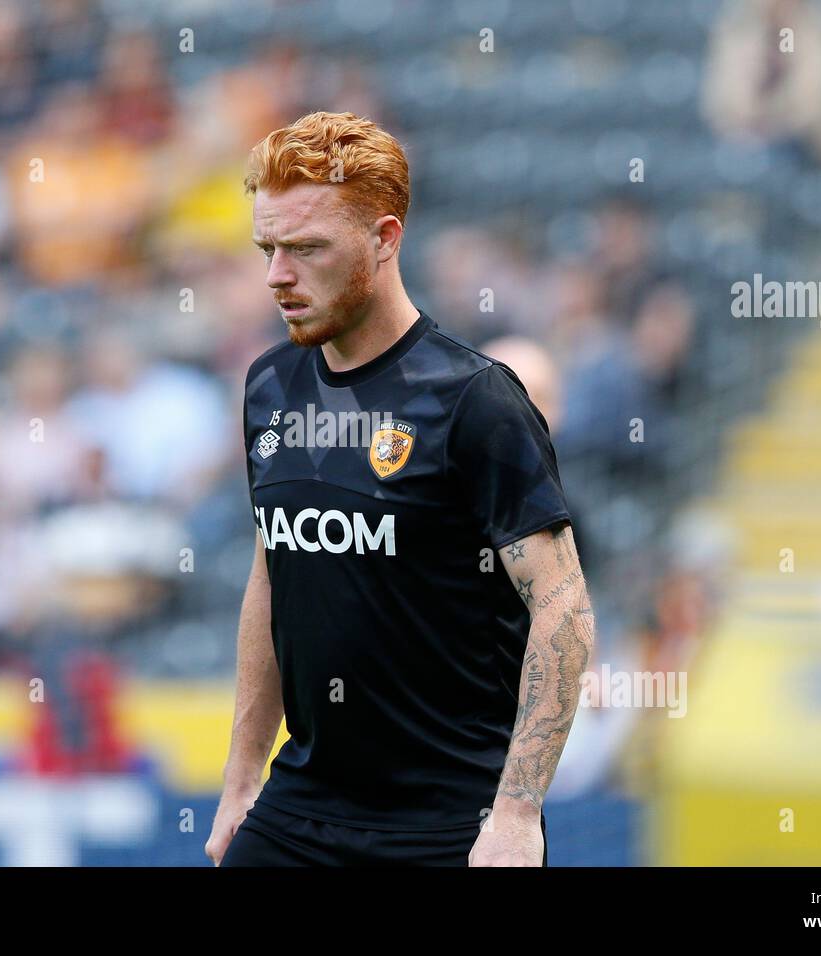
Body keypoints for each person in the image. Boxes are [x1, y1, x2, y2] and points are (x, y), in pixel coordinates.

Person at [206, 112, 596, 867]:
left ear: (385, 239)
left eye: (306, 249)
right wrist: (240, 778)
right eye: (268, 248)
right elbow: (272, 576)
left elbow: (563, 603)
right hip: (299, 811)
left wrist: (516, 815)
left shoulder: (476, 400)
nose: (276, 276)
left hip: (449, 825)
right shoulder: (270, 386)